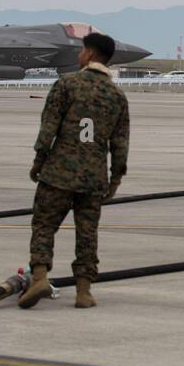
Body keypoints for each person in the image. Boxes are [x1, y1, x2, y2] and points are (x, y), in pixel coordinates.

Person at [18, 32, 130, 310]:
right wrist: (115, 178)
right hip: (94, 177)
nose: (79, 55)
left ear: (90, 55)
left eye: (82, 51)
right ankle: (84, 291)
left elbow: (49, 127)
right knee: (87, 232)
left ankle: (40, 276)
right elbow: (120, 142)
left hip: (59, 172)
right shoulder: (116, 95)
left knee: (44, 225)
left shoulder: (67, 84)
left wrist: (38, 161)